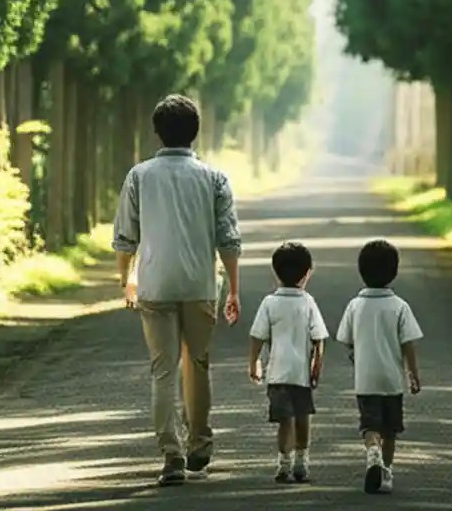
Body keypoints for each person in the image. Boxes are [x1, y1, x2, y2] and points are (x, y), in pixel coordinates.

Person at [112, 94, 242, 487]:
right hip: (201, 282)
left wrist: (126, 280)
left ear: (157, 132)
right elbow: (229, 239)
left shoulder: (139, 176)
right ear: (195, 132)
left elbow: (124, 238)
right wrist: (234, 289)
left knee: (162, 370)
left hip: (154, 283)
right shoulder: (214, 178)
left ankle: (171, 454)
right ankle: (199, 445)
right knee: (197, 363)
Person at [335, 239, 424, 495]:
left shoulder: (355, 305)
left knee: (370, 425)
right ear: (394, 271)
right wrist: (413, 374)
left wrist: (356, 353)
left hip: (366, 380)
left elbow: (347, 339)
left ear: (362, 271)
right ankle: (386, 471)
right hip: (392, 381)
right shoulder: (400, 307)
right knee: (391, 429)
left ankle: (372, 451)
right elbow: (408, 344)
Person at [248, 242, 328, 484]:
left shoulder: (270, 303)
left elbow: (257, 336)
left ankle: (284, 463)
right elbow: (319, 339)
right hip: (301, 374)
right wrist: (316, 367)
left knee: (285, 421)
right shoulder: (308, 302)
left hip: (278, 374)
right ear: (307, 274)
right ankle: (302, 461)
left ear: (275, 272)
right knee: (303, 418)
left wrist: (253, 364)